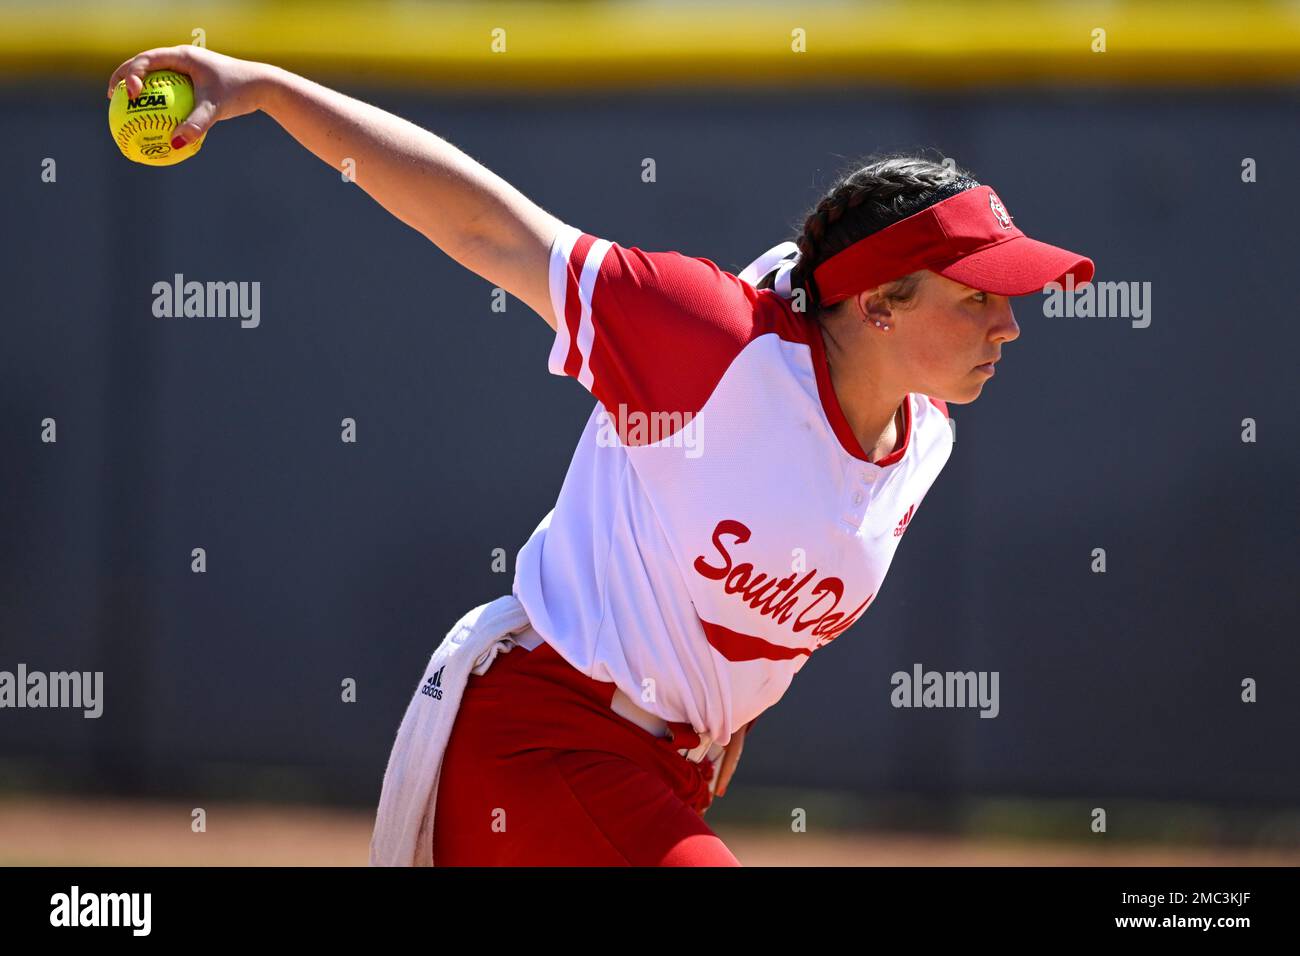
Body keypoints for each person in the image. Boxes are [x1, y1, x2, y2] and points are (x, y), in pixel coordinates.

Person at [107, 47, 1095, 866]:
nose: (1007, 323)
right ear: (877, 304)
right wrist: (268, 90)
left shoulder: (920, 441)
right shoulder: (707, 342)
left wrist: (717, 717)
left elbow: (739, 603)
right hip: (544, 737)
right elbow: (483, 227)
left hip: (655, 773)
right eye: (975, 295)